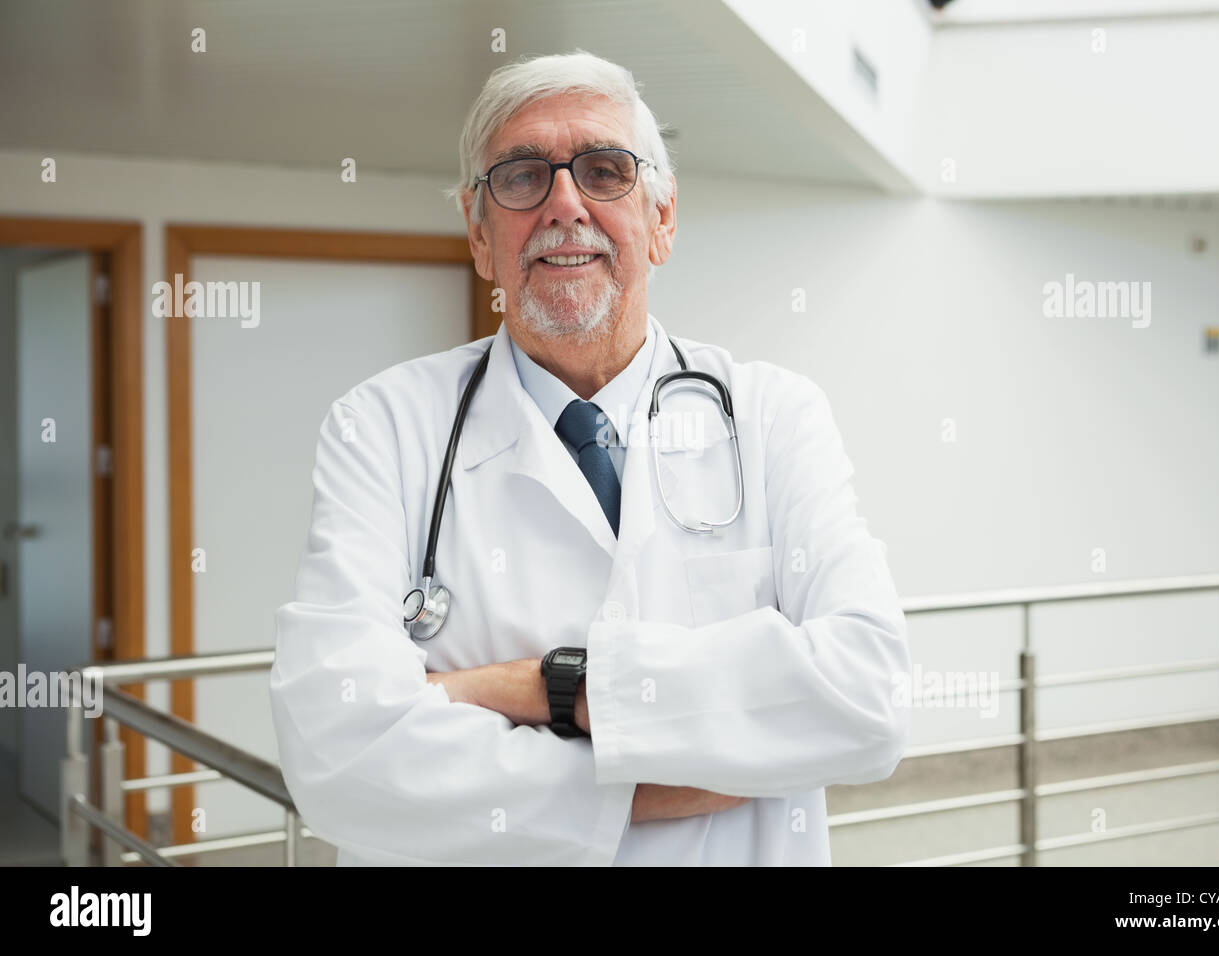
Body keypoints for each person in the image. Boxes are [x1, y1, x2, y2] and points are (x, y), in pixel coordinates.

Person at [269, 49, 910, 866]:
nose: (564, 202)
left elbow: (869, 695)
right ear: (478, 230)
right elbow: (336, 750)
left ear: (662, 220)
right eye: (523, 176)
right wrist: (661, 773)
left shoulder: (773, 416)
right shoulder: (383, 427)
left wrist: (537, 687)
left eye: (605, 171)